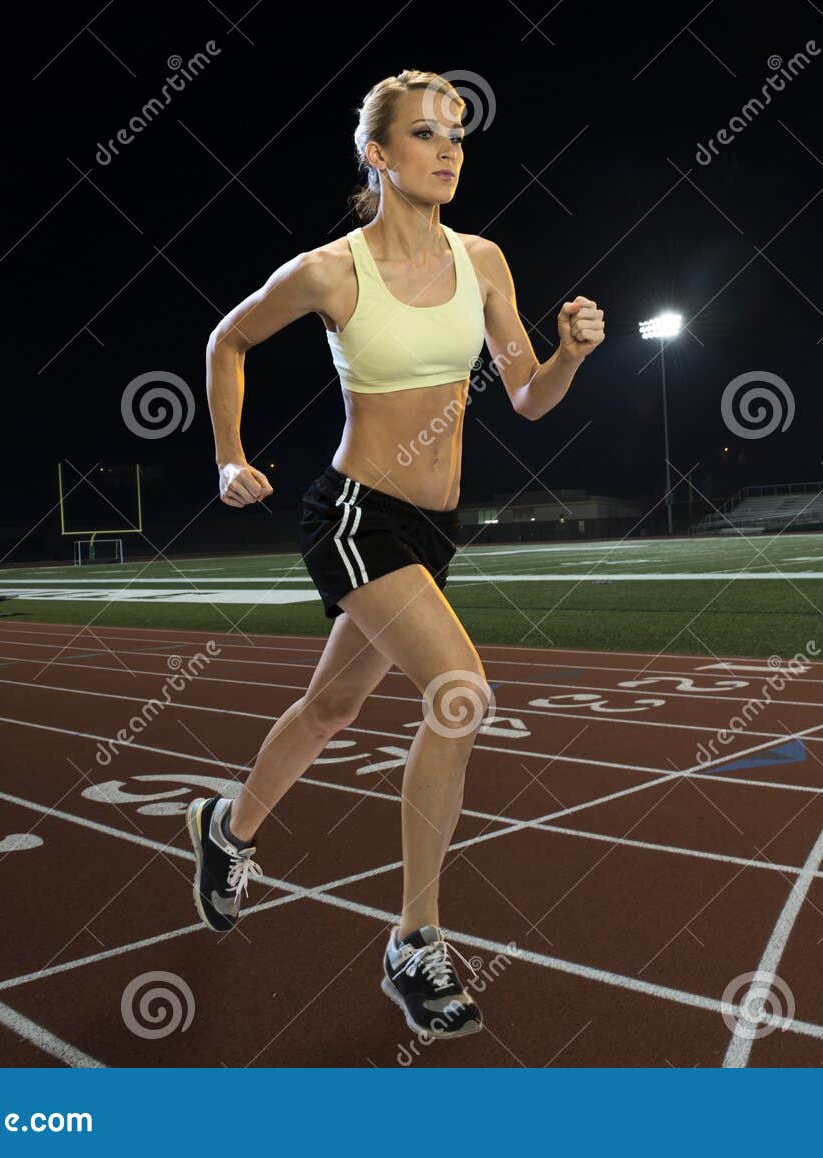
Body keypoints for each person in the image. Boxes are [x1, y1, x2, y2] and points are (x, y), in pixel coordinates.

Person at [187, 68, 605, 1041]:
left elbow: (530, 397)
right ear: (379, 155)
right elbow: (227, 340)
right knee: (459, 691)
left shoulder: (486, 261)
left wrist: (570, 352)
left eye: (456, 132)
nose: (449, 148)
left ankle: (227, 826)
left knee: (333, 705)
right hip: (354, 513)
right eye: (425, 134)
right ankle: (414, 938)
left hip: (433, 528)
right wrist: (228, 457)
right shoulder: (334, 271)